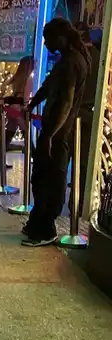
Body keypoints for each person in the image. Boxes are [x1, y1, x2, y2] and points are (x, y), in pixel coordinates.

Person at [23, 18, 90, 247]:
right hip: (55, 129)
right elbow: (48, 87)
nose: (45, 43)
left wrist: (51, 134)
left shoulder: (72, 62)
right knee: (42, 176)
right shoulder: (67, 61)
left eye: (48, 38)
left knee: (50, 179)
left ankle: (46, 228)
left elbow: (66, 102)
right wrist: (33, 104)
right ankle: (37, 222)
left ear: (60, 37)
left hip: (58, 131)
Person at [75, 22, 101, 215]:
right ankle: (81, 203)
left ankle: (71, 202)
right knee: (84, 160)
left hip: (74, 112)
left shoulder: (77, 58)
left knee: (66, 158)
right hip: (92, 113)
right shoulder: (100, 57)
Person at [0, 55, 34, 171]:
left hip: (12, 107)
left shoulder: (17, 77)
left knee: (8, 134)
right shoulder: (29, 78)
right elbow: (26, 97)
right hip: (19, 108)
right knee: (27, 134)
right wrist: (26, 107)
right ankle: (36, 160)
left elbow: (5, 88)